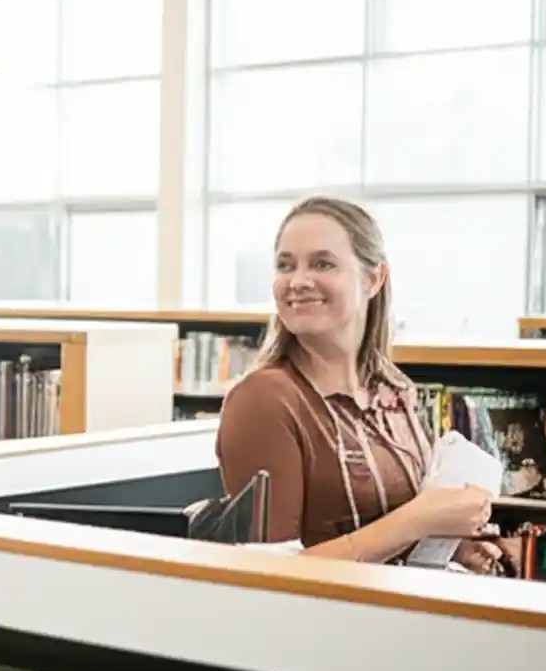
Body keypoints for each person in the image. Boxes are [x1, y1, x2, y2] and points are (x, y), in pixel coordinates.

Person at [216, 196, 507, 573]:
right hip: (321, 611)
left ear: (374, 279)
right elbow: (266, 575)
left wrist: (450, 546)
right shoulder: (264, 400)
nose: (298, 281)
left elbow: (386, 529)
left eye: (322, 263)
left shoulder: (394, 390)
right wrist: (420, 520)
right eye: (285, 265)